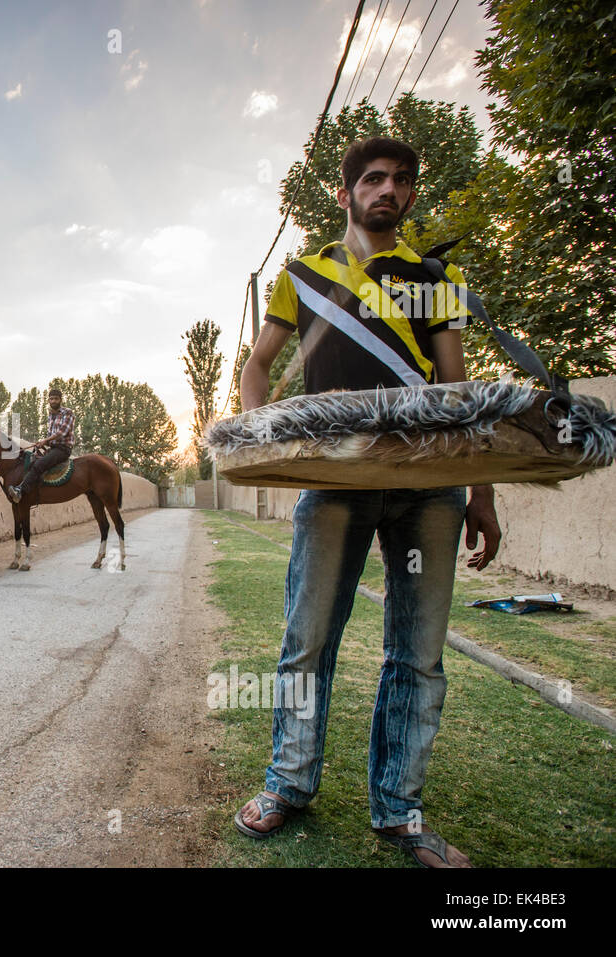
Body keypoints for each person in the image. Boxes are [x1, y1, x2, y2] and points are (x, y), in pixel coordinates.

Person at [233, 137, 501, 868]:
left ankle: (401, 810)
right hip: (336, 480)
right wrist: (265, 439)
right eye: (373, 178)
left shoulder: (434, 277)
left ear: (411, 197)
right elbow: (259, 368)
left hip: (427, 483)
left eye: (402, 180)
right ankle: (288, 782)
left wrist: (481, 488)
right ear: (347, 194)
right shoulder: (303, 274)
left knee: (417, 653)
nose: (389, 188)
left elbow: (457, 391)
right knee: (307, 639)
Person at [7, 388, 75, 502]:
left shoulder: (67, 412)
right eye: (51, 399)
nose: (53, 401)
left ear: (60, 400)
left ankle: (20, 491)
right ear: (48, 400)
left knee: (39, 464)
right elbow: (51, 435)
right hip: (53, 448)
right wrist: (42, 443)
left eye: (56, 399)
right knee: (31, 460)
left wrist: (45, 440)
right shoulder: (50, 416)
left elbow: (62, 432)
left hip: (63, 449)